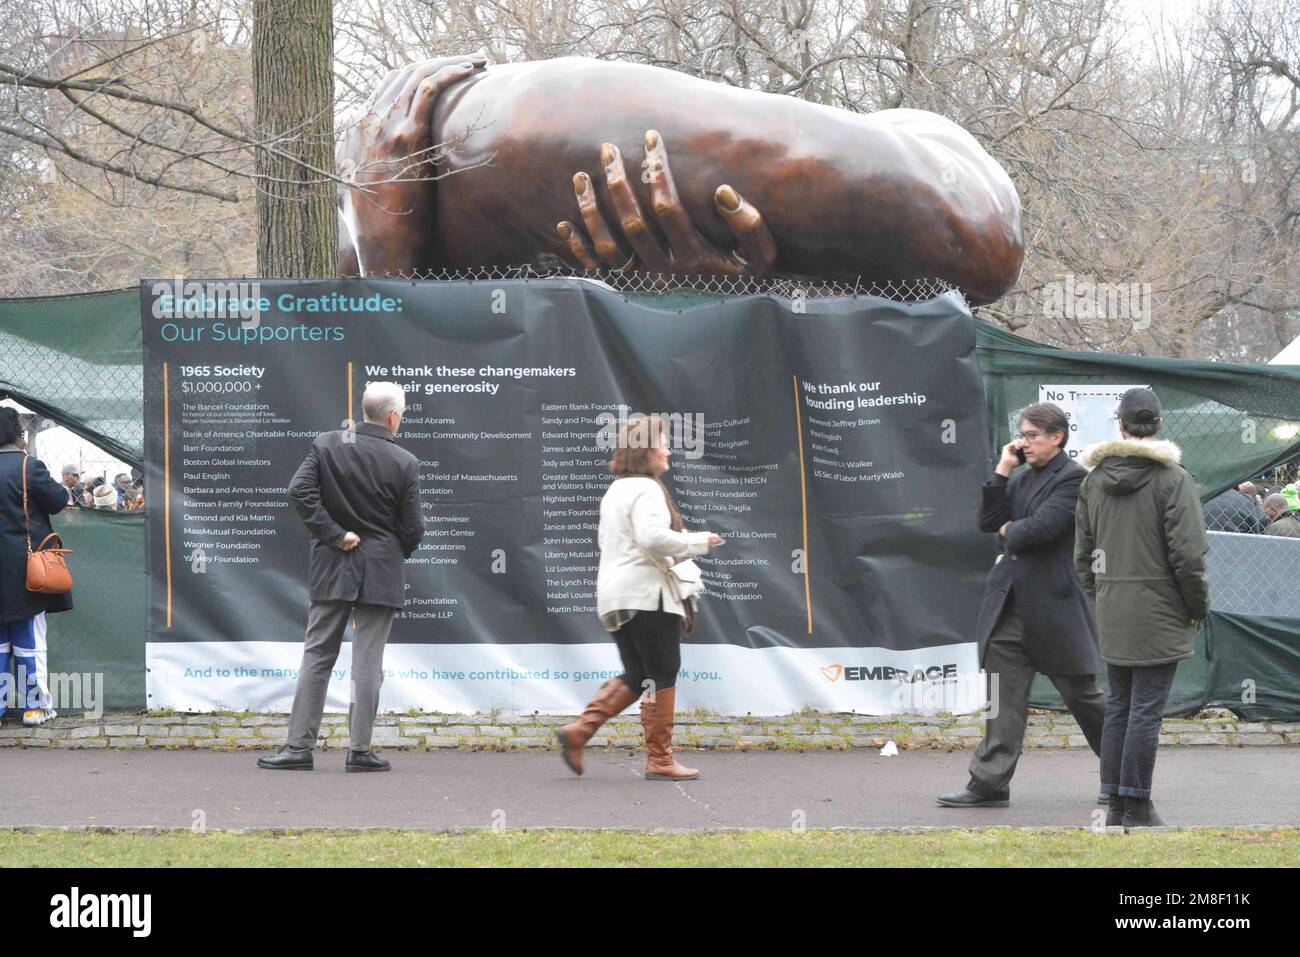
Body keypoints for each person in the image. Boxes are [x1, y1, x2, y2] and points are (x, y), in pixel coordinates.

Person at [938, 402, 1105, 808]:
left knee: (1082, 696)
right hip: (1011, 607)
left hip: (1056, 609)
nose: (1023, 443)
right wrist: (1002, 470)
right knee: (1003, 697)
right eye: (1022, 435)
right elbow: (988, 521)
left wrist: (1009, 530)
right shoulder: (1023, 478)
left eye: (1032, 436)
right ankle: (989, 784)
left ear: (1057, 437)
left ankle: (1123, 774)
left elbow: (1039, 531)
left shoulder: (1076, 480)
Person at [259, 382, 425, 772]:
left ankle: (298, 748)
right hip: (381, 569)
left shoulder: (328, 443)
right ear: (393, 417)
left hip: (333, 562)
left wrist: (335, 535)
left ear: (364, 409)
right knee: (368, 662)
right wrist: (392, 550)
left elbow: (299, 491)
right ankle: (360, 751)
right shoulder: (405, 462)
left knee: (317, 655)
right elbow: (413, 528)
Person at [556, 415, 723, 781]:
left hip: (617, 595)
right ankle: (660, 760)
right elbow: (651, 537)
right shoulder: (647, 489)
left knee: (638, 673)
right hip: (648, 595)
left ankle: (579, 731)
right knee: (662, 671)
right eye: (663, 442)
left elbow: (637, 541)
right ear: (647, 451)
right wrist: (699, 542)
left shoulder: (617, 489)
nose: (669, 450)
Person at [1075, 388, 1209, 827]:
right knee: (1146, 709)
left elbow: (1084, 559)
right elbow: (1187, 557)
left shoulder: (1093, 481)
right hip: (1161, 610)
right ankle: (1136, 805)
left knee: (1119, 706)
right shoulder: (1174, 479)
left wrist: (1106, 597)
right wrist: (1195, 607)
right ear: (1160, 423)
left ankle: (1111, 802)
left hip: (1114, 608)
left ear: (1121, 425)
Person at [0, 408, 73, 725]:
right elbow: (58, 500)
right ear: (20, 435)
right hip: (26, 570)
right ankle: (35, 707)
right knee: (29, 638)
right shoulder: (28, 465)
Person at [1202, 484, 1268, 534]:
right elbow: (1255, 532)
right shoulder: (1246, 502)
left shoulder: (1201, 499)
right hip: (1239, 546)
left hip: (1204, 545)